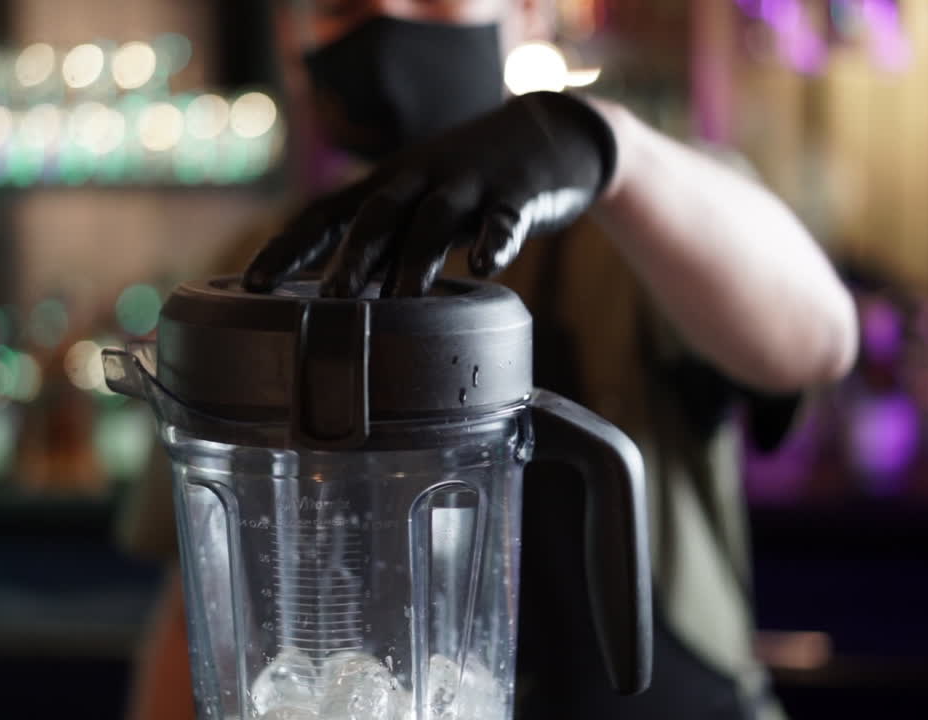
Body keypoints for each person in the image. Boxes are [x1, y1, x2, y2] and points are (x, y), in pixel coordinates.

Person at [123, 0, 858, 718]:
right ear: (293, 38)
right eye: (342, 4)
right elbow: (200, 595)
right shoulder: (249, 285)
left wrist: (605, 147)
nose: (385, 16)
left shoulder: (640, 224)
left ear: (530, 15)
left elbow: (820, 338)